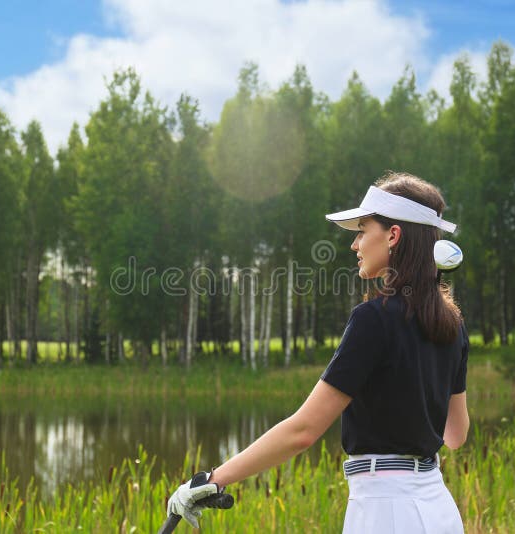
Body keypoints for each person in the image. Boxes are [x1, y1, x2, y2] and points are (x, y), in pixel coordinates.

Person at [166, 171, 470, 533]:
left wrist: (212, 479)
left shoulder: (373, 319)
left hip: (385, 512)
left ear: (393, 235)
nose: (355, 245)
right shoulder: (452, 324)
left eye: (362, 231)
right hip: (438, 509)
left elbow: (304, 431)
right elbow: (456, 434)